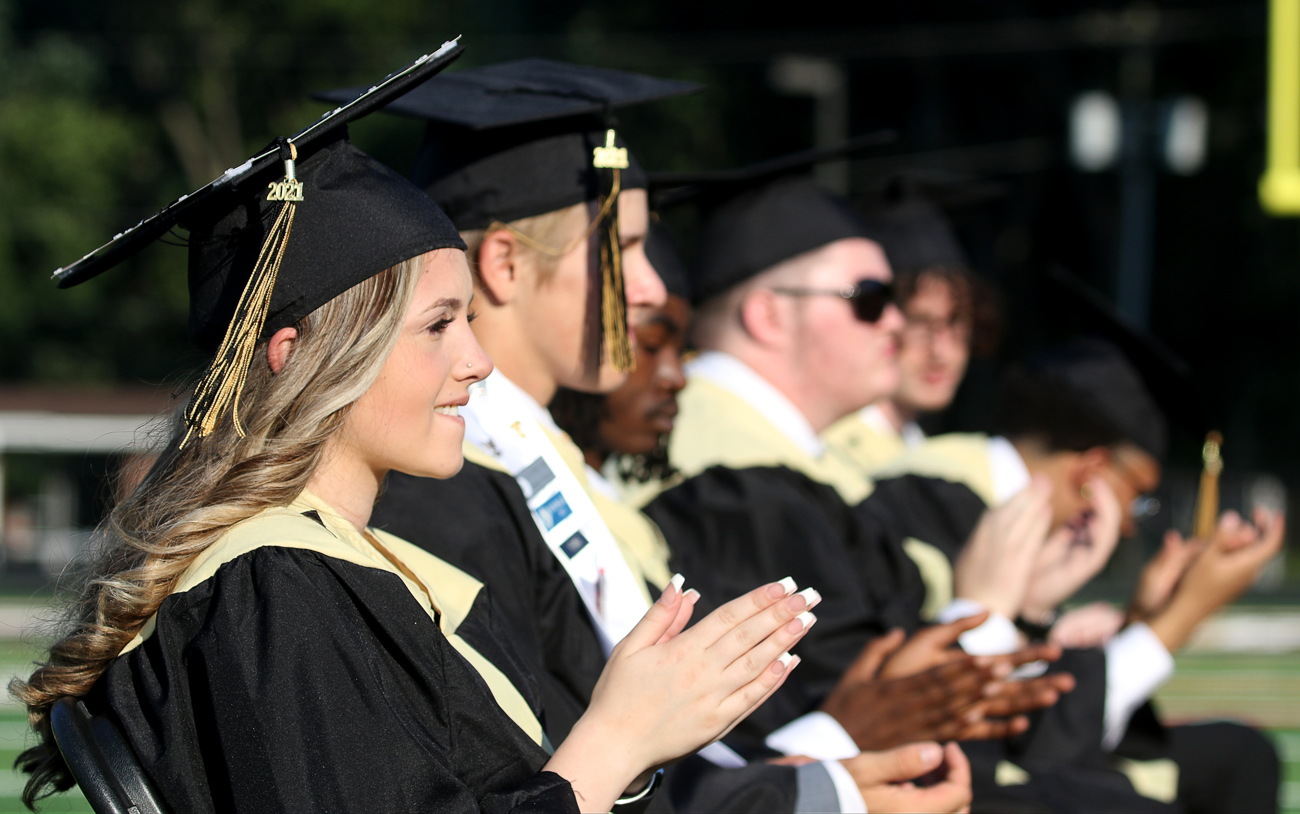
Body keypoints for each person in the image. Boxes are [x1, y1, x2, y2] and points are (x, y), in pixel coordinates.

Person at [12, 52, 815, 814]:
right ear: (296, 359)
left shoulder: (361, 569)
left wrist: (641, 745)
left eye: (469, 319)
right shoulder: (273, 589)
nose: (478, 361)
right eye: (437, 325)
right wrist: (614, 738)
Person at [364, 60, 976, 814]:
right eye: (620, 250)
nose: (649, 286)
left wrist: (815, 779)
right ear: (507, 263)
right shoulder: (448, 488)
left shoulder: (542, 454)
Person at [864, 337, 1285, 812]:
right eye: (1139, 497)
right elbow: (1038, 744)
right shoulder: (943, 505)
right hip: (930, 766)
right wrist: (1179, 618)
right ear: (1092, 470)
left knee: (1240, 754)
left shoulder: (989, 500)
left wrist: (1133, 619)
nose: (1129, 524)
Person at [823, 194, 999, 476]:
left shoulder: (926, 457)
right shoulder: (829, 454)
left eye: (957, 323)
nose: (941, 352)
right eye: (920, 324)